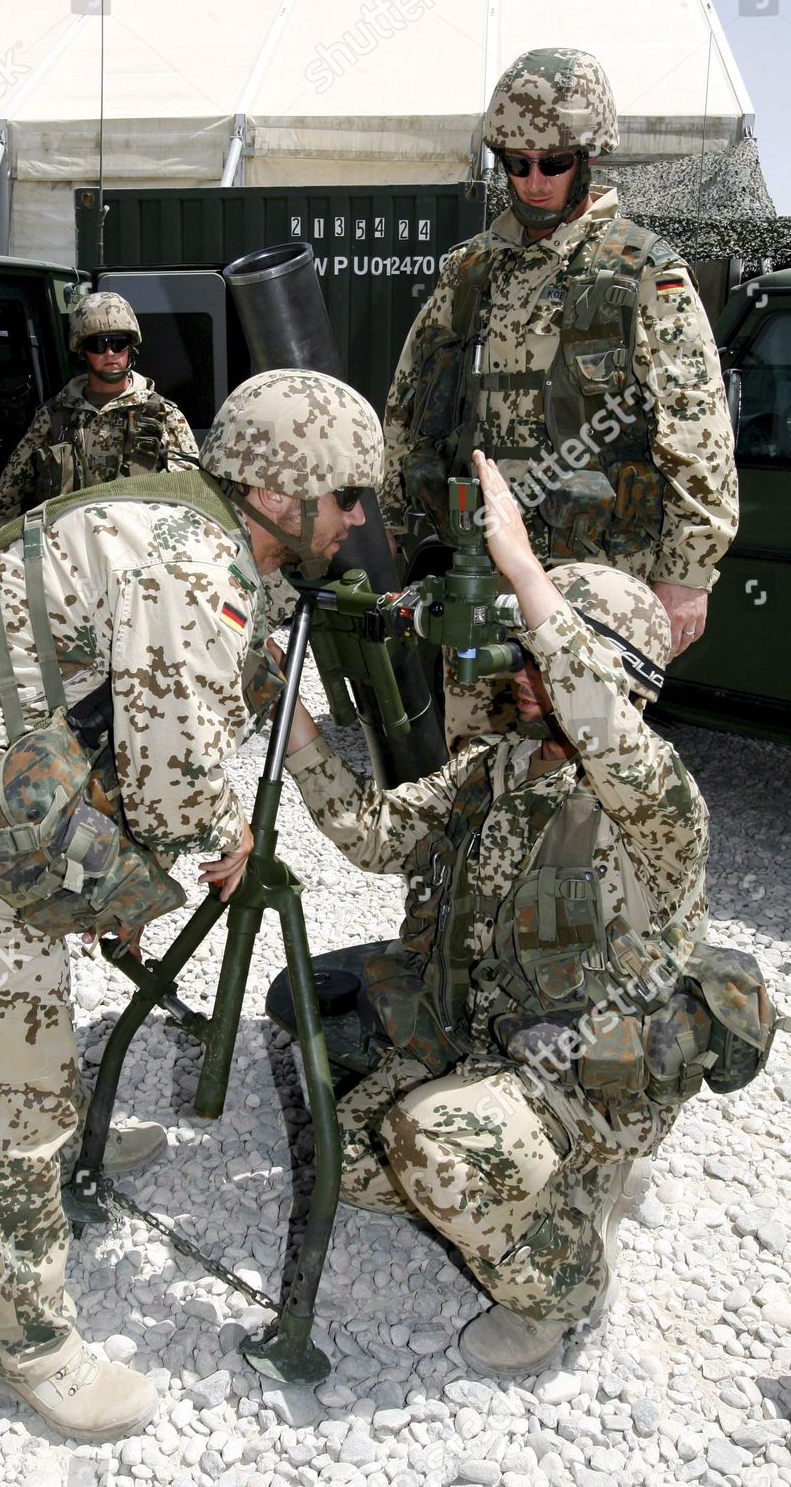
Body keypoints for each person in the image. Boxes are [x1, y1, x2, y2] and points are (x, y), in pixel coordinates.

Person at [0, 369, 379, 1440]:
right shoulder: (193, 563)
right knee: (0, 1070)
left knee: (56, 951)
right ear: (284, 496)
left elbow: (219, 686)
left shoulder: (201, 518)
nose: (359, 517)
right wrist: (227, 834)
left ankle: (61, 1136)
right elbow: (174, 781)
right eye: (348, 495)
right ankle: (19, 1341)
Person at [280, 448, 722, 1376]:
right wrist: (292, 727)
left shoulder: (656, 801)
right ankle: (557, 1185)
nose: (524, 673)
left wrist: (523, 569)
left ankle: (567, 1286)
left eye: (544, 653)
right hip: (499, 1045)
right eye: (525, 652)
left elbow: (602, 721)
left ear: (617, 677)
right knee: (357, 1164)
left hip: (588, 1075)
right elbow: (372, 834)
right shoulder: (503, 766)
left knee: (434, 1149)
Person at [381, 47, 738, 749]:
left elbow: (697, 431)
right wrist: (396, 529)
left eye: (554, 163)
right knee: (471, 773)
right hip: (480, 578)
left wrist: (689, 574)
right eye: (518, 164)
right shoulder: (470, 272)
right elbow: (409, 409)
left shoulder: (643, 272)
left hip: (598, 584)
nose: (535, 181)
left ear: (589, 158)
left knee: (584, 776)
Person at [0, 291, 199, 529]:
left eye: (118, 343)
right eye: (97, 345)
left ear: (131, 348)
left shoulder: (163, 415)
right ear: (81, 351)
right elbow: (6, 499)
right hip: (69, 552)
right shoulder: (54, 416)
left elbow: (191, 497)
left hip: (139, 551)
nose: (109, 353)